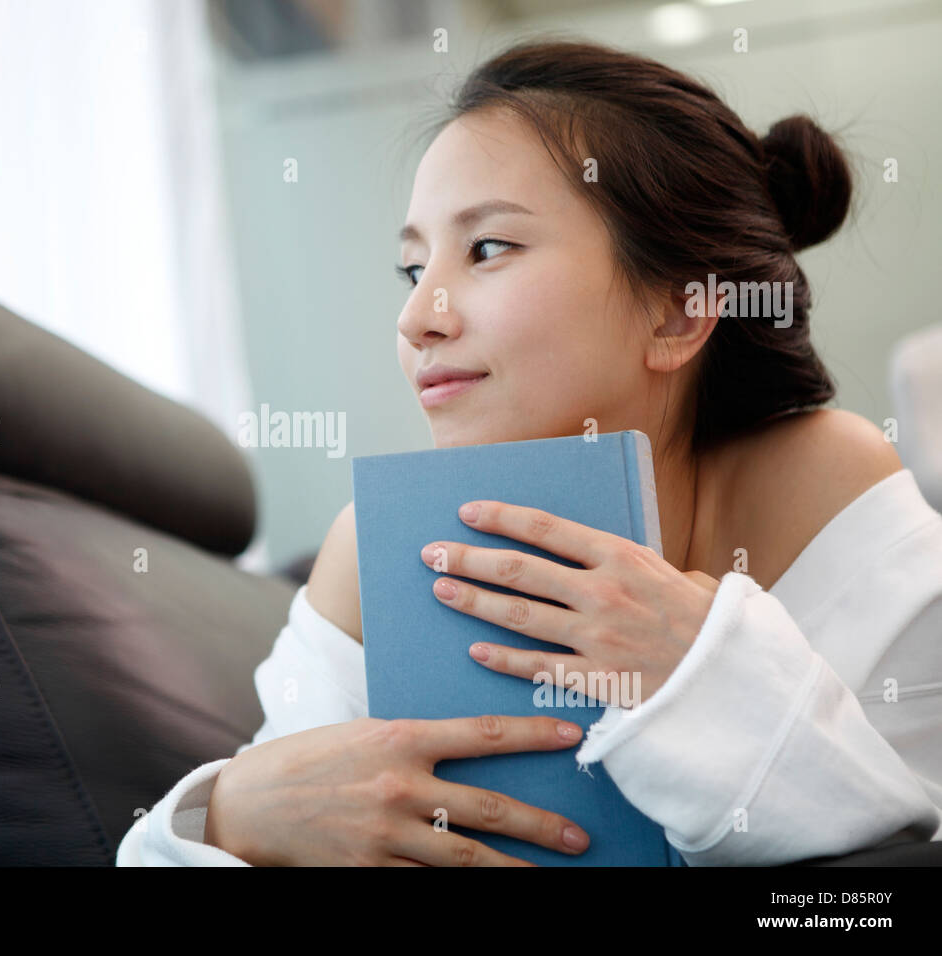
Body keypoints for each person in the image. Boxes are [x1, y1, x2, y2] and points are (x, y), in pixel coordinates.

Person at [118, 39, 942, 866]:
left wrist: (700, 671)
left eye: (487, 249)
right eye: (412, 270)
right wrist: (224, 819)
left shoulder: (825, 485)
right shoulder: (371, 552)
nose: (417, 321)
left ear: (679, 313)